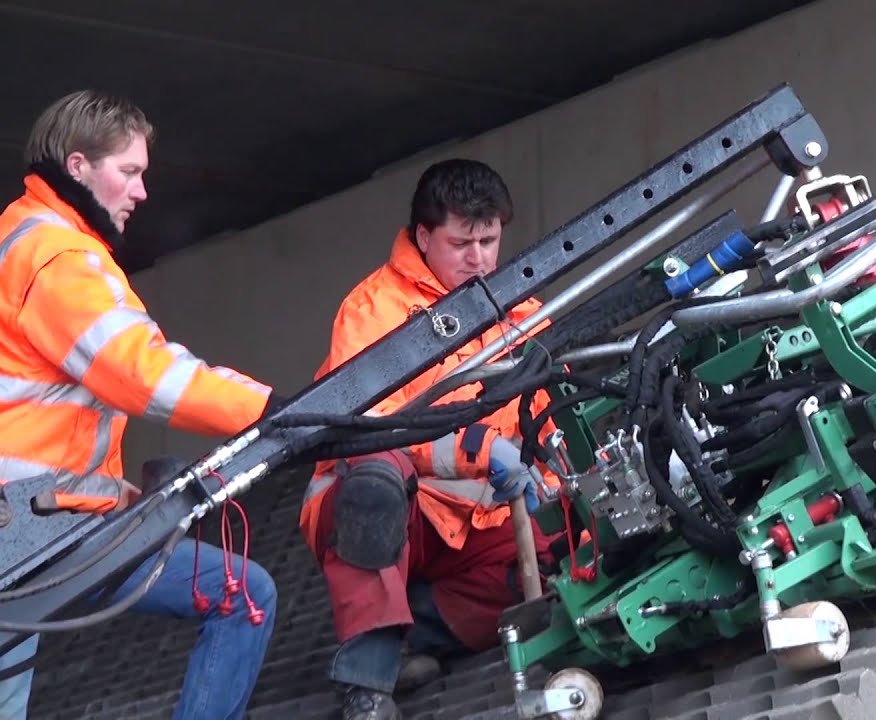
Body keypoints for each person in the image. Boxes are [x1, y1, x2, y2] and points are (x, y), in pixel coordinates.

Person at [0, 89, 283, 719]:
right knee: (243, 594)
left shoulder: (15, 237)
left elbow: (37, 414)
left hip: (37, 526)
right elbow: (142, 373)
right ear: (78, 167)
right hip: (28, 531)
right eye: (128, 171)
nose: (142, 191)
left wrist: (114, 494)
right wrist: (268, 410)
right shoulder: (56, 257)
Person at [297, 159, 562, 720]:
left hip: (474, 524)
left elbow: (550, 420)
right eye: (461, 243)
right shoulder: (371, 312)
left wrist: (553, 483)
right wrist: (482, 450)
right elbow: (368, 429)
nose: (479, 259)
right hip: (392, 511)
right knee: (373, 481)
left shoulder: (522, 313)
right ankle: (367, 684)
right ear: (422, 236)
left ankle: (411, 631)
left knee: (553, 564)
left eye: (488, 241)